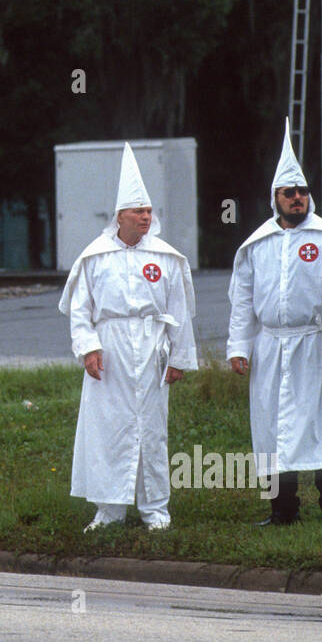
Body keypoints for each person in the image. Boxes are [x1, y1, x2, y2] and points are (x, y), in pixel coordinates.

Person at [226, 121, 322, 525]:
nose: (298, 198)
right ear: (276, 198)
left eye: (303, 192)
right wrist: (238, 347)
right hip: (271, 347)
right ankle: (282, 510)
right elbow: (242, 301)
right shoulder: (256, 244)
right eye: (290, 193)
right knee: (272, 429)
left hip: (319, 345)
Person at [58, 143, 197, 532]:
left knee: (151, 428)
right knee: (108, 428)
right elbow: (81, 310)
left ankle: (155, 509)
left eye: (149, 211)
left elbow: (180, 313)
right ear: (120, 214)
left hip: (152, 347)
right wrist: (89, 348)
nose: (145, 217)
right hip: (112, 349)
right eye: (138, 211)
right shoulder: (95, 257)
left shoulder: (166, 258)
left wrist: (179, 359)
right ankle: (109, 508)